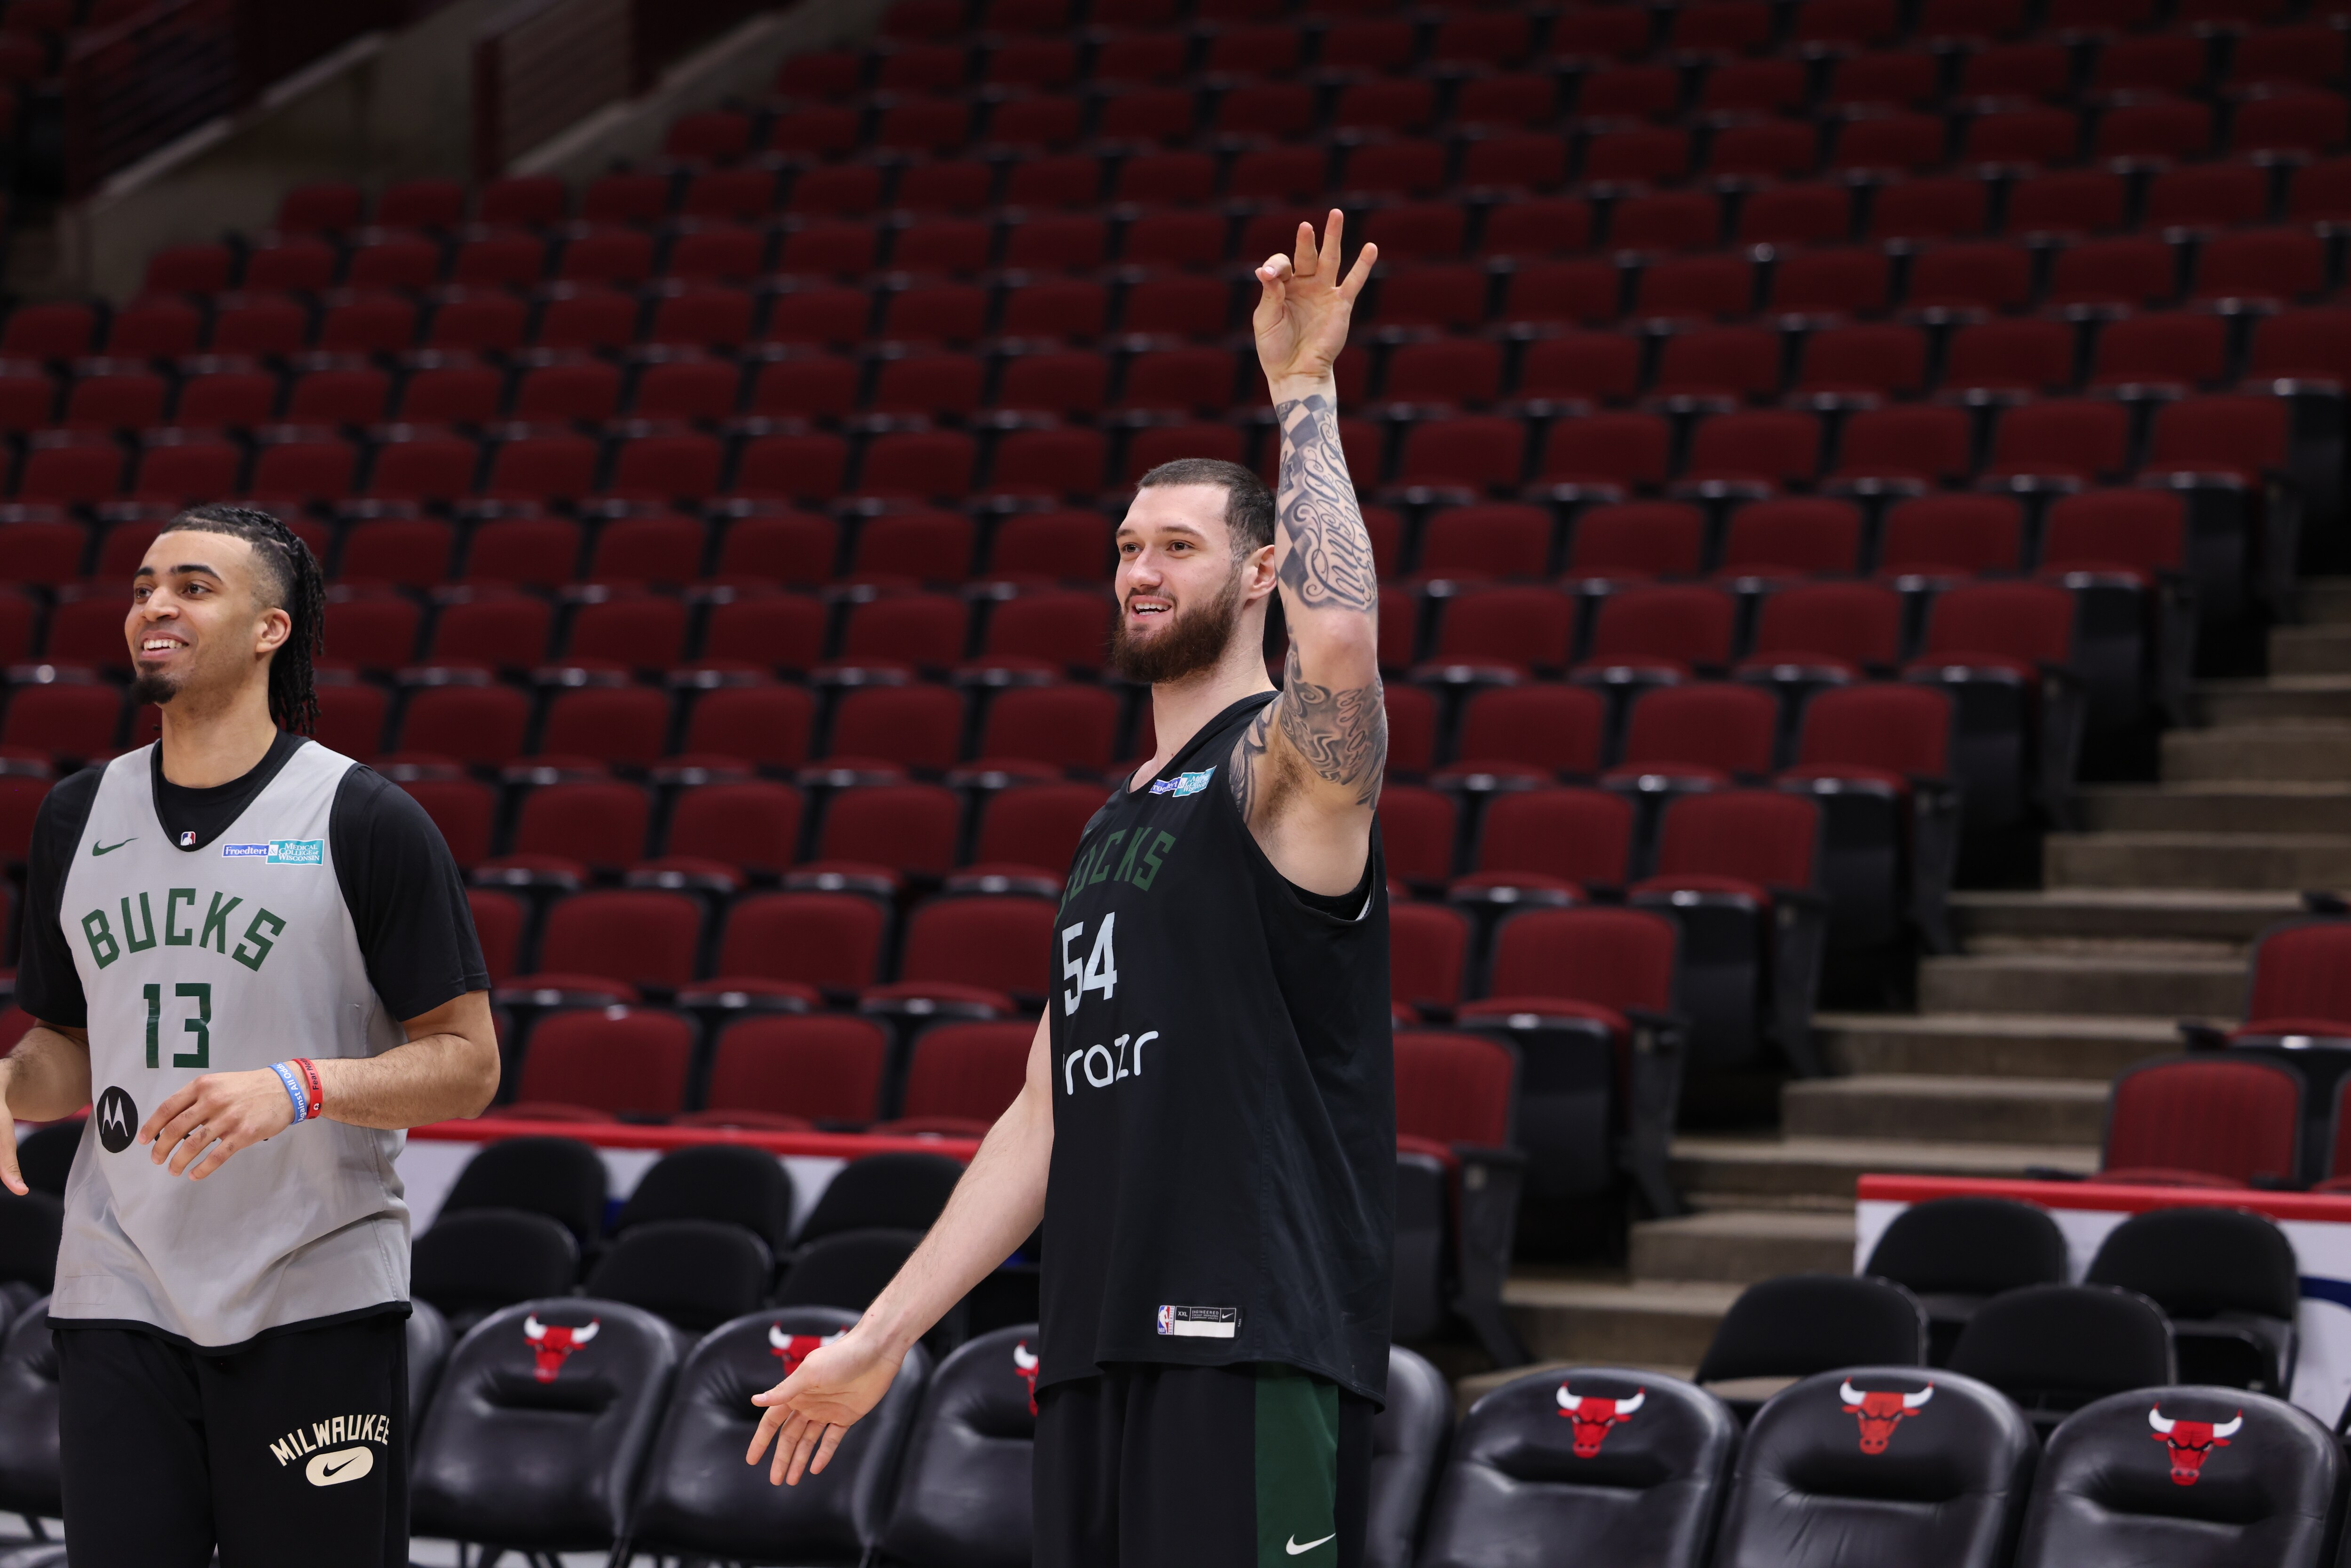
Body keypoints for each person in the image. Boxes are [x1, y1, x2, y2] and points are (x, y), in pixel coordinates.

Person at [749, 212, 1395, 1566]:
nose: (1140, 572)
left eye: (1177, 547)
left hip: (1248, 1340)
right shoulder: (1116, 823)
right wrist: (880, 1338)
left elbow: (1338, 633)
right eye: (1125, 547)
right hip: (1096, 1349)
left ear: (1260, 571)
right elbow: (1044, 1114)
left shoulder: (1278, 779)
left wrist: (1304, 392)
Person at [0, 504, 501, 1567]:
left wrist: (300, 1087)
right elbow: (69, 1049)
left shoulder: (365, 818)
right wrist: (5, 1085)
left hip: (310, 1287)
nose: (154, 608)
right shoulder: (77, 816)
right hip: (119, 1282)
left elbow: (469, 1064)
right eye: (141, 588)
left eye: (192, 585)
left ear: (272, 629)